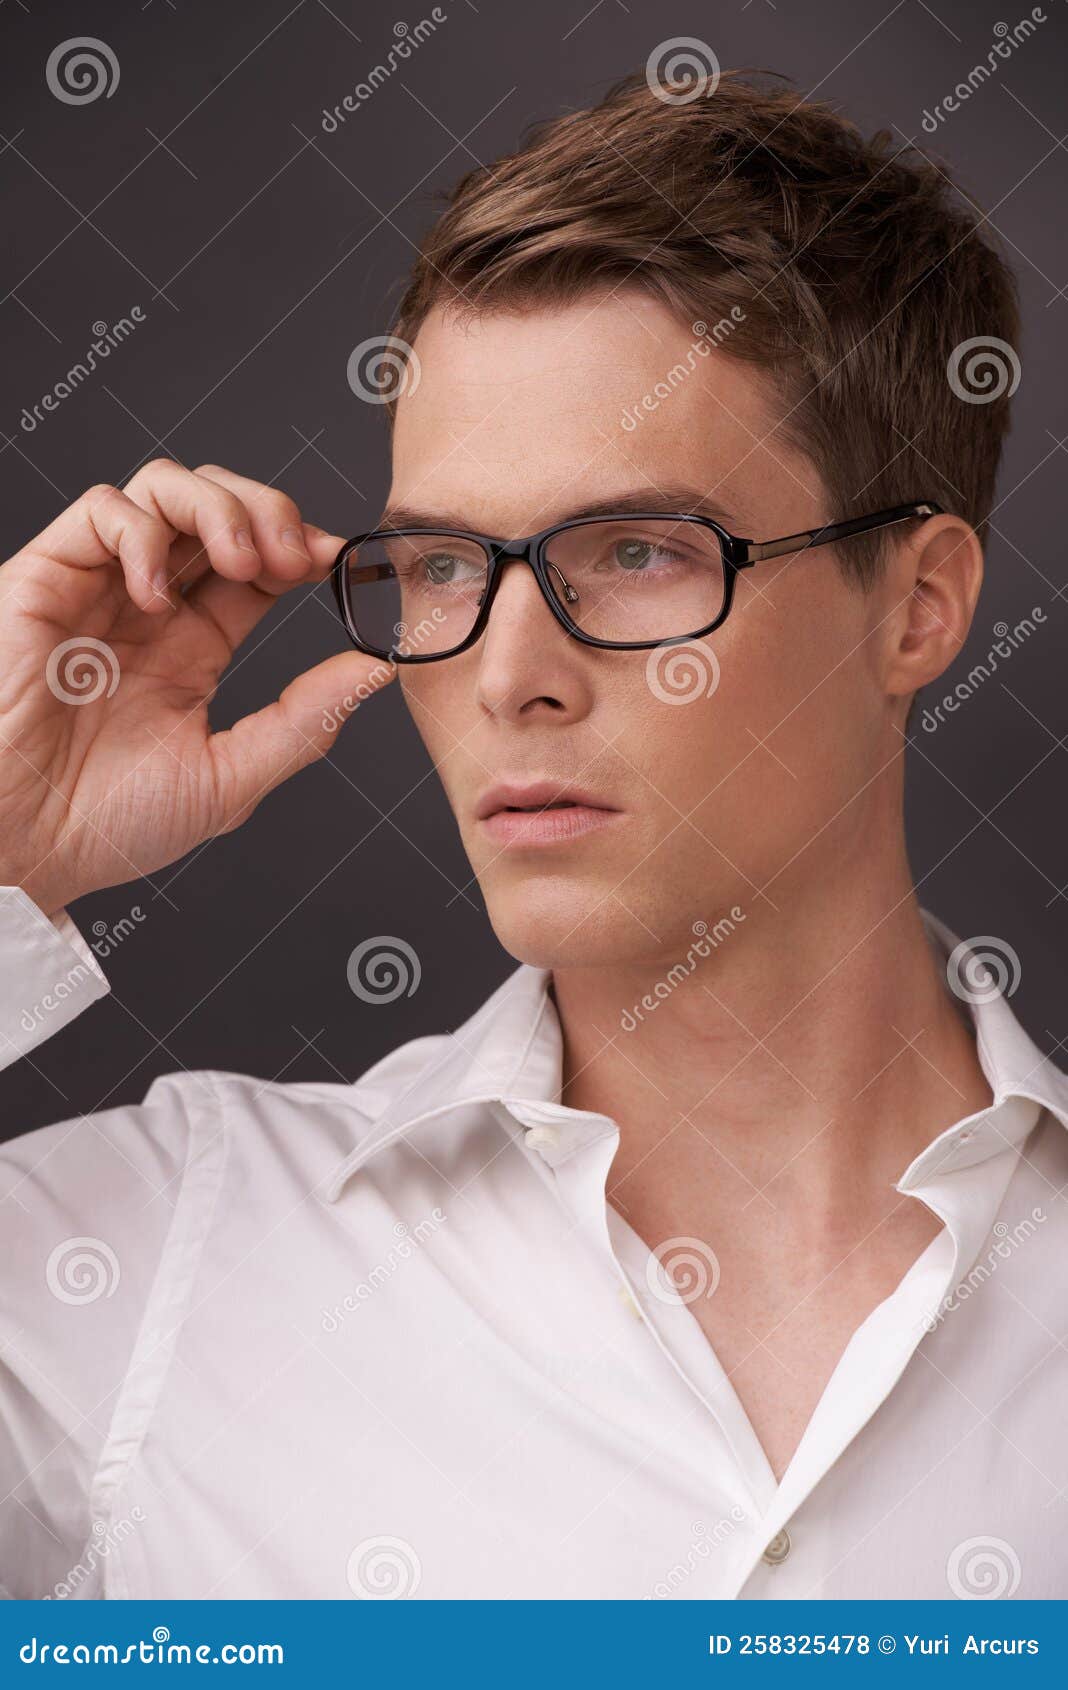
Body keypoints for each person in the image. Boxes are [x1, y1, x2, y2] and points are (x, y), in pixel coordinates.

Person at [1, 68, 1063, 1602]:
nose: (507, 673)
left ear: (918, 603)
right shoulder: (153, 1257)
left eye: (633, 550)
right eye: (441, 565)